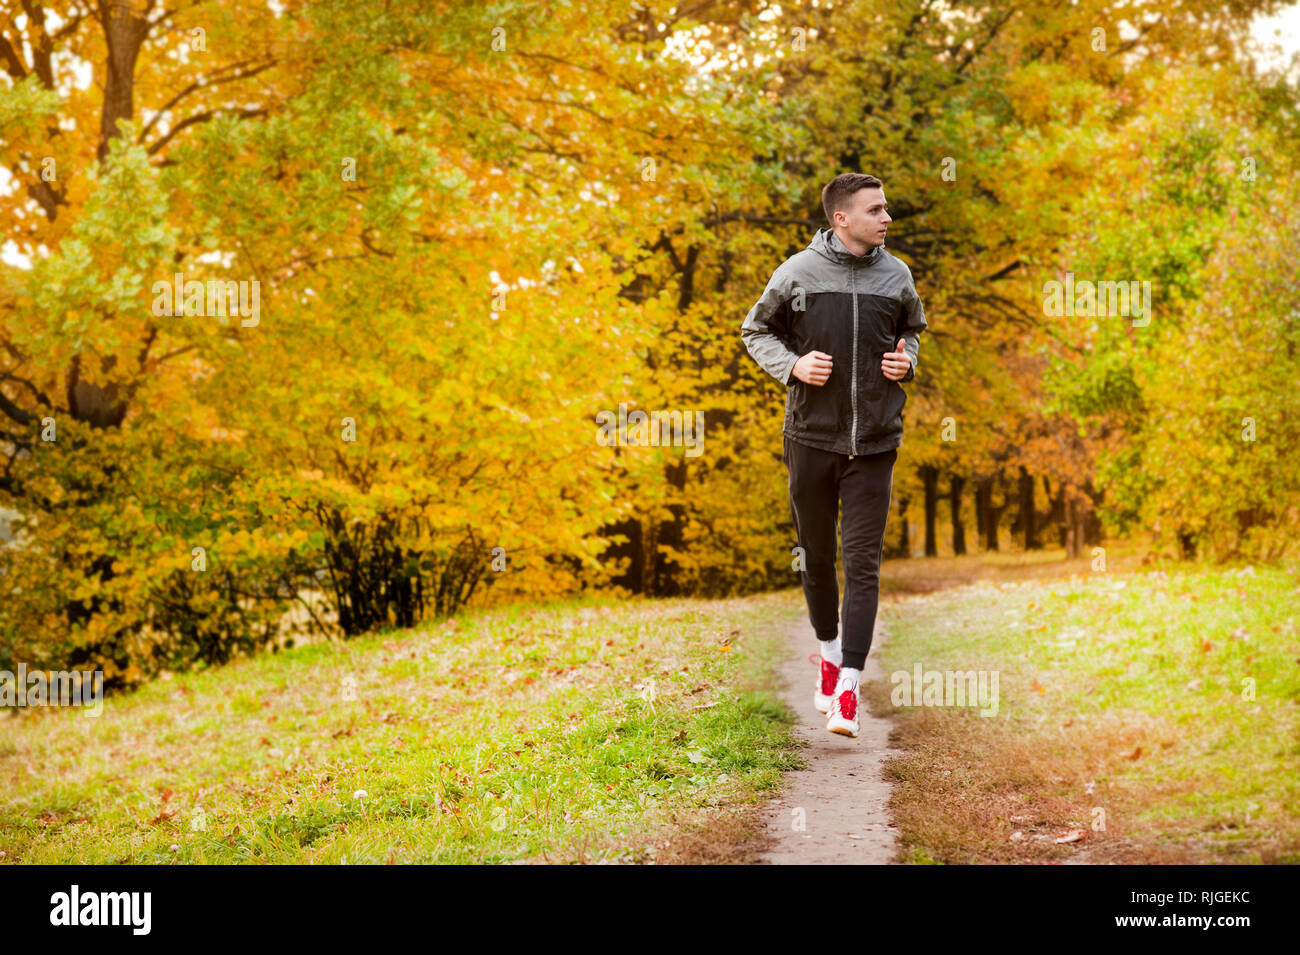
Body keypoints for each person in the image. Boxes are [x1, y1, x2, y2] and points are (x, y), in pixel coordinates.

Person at [740, 172, 926, 738]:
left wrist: (906, 362)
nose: (887, 219)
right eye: (876, 210)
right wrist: (792, 366)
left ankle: (848, 686)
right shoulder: (796, 273)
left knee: (862, 563)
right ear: (841, 218)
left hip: (875, 442)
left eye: (887, 209)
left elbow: (912, 330)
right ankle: (827, 650)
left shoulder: (897, 275)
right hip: (811, 438)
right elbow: (755, 331)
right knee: (817, 558)